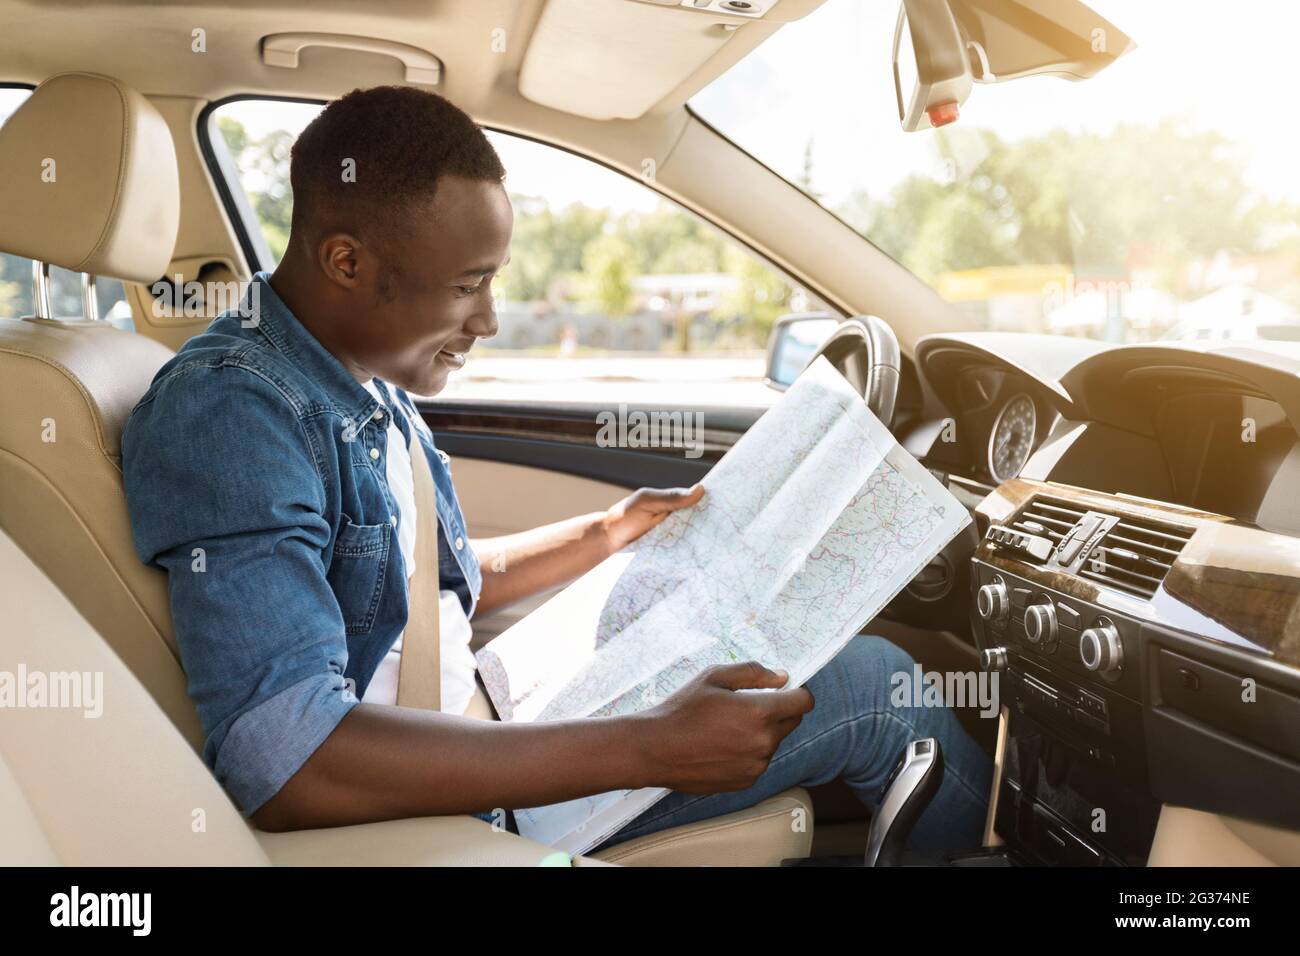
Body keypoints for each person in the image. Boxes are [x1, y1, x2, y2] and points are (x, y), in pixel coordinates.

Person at [122, 85, 991, 854]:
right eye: (467, 286)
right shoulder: (235, 410)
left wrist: (605, 533)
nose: (489, 320)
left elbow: (419, 590)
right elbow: (288, 762)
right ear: (346, 262)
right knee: (875, 688)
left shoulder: (355, 376)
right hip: (452, 805)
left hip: (484, 715)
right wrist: (649, 743)